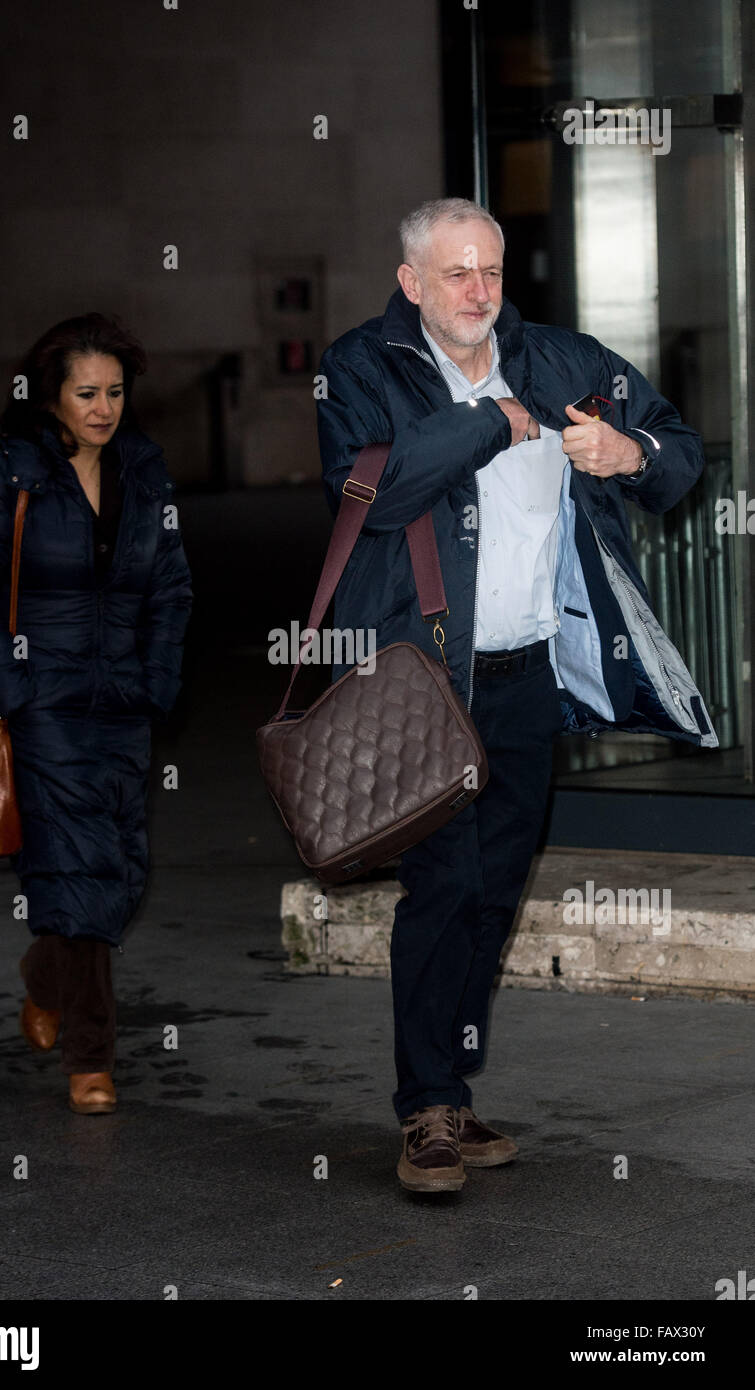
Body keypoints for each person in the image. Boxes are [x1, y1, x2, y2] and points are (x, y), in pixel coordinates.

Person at [316, 197, 717, 1193]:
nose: (479, 293)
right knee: (443, 885)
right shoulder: (362, 367)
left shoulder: (564, 360)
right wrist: (490, 422)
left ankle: (448, 1082)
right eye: (456, 273)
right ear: (411, 282)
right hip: (421, 676)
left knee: (495, 887)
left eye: (491, 271)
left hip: (526, 675)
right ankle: (427, 1113)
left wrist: (632, 454)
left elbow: (680, 450)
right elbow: (376, 491)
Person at [0, 313, 192, 1114]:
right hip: (42, 702)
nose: (103, 407)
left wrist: (155, 677)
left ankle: (42, 975)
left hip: (122, 701)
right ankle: (92, 1058)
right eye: (86, 392)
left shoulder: (144, 473)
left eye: (115, 392)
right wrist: (13, 692)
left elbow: (172, 588)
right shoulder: (11, 474)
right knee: (84, 866)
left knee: (118, 869)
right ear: (49, 394)